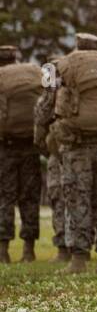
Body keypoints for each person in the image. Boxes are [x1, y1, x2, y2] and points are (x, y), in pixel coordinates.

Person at [33, 33, 97, 273]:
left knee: (78, 199)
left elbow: (47, 102)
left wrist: (41, 134)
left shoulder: (62, 65)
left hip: (76, 145)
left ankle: (78, 259)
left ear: (77, 45)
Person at [0, 45, 41, 263]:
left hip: (5, 147)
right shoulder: (33, 72)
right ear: (16, 58)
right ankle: (29, 250)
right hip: (30, 145)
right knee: (30, 197)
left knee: (4, 198)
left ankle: (3, 251)